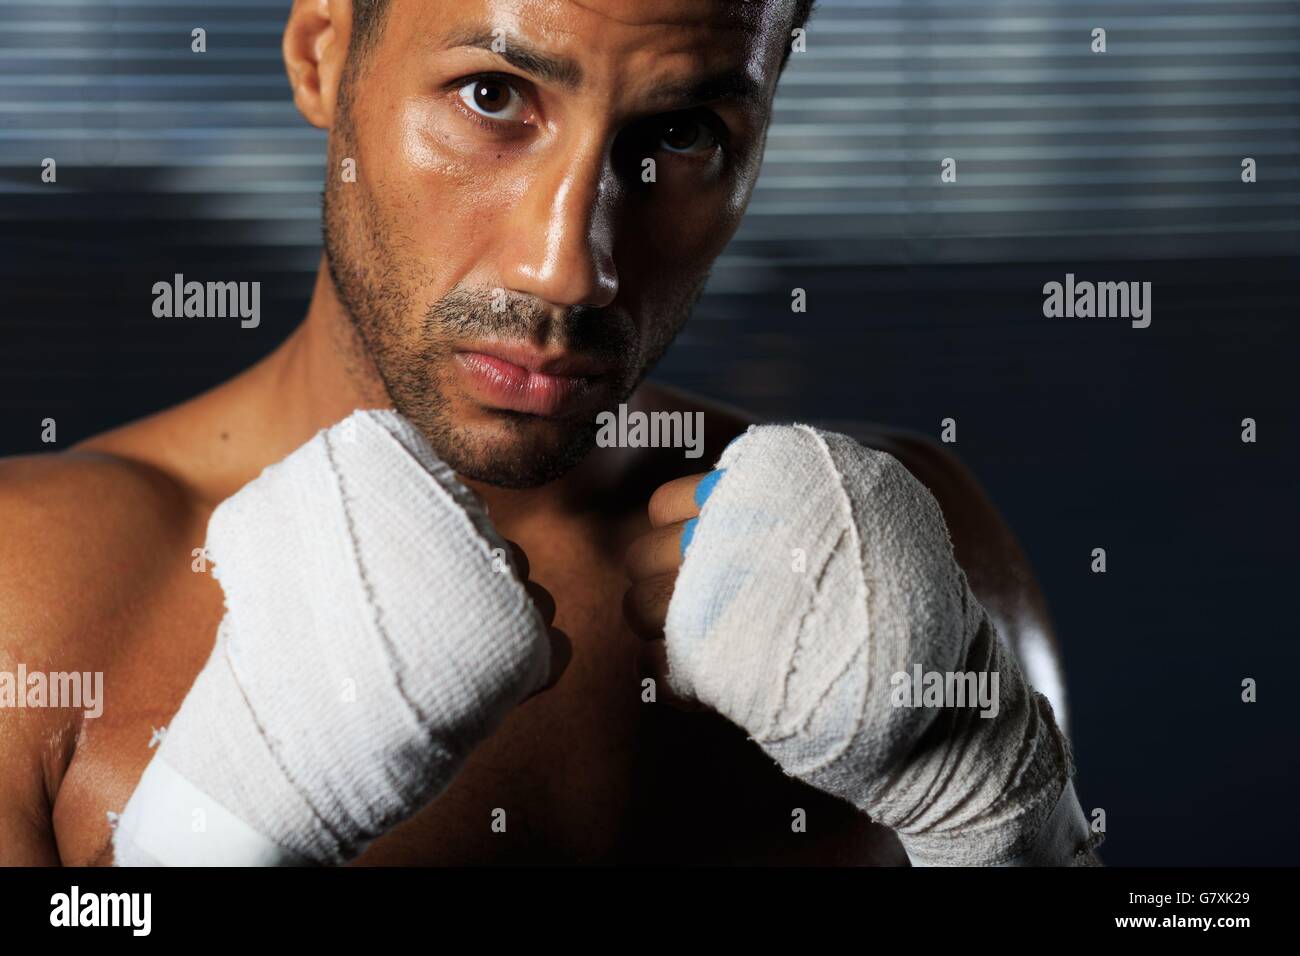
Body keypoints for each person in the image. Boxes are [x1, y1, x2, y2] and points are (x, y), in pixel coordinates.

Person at [0, 0, 1085, 866]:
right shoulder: (32, 594)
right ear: (323, 53)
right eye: (491, 94)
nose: (569, 267)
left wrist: (993, 814)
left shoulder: (895, 549)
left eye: (679, 134)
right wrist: (206, 841)